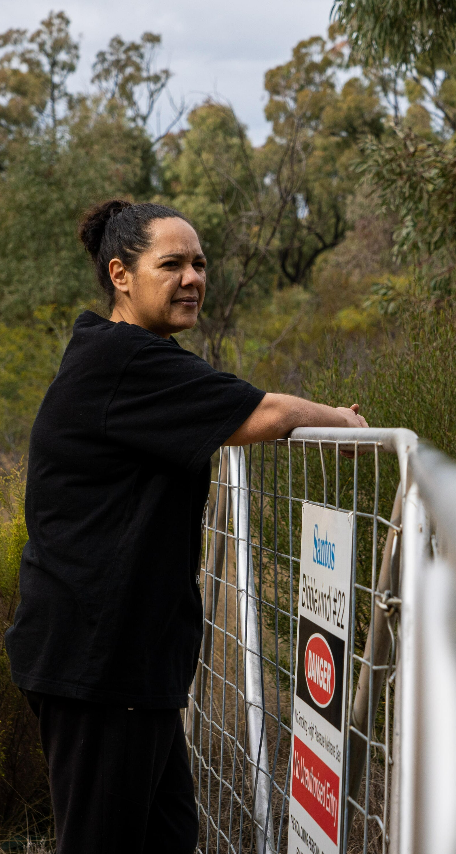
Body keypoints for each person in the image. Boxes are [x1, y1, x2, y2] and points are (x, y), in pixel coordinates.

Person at [6, 200, 368, 854]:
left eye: (199, 263)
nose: (193, 278)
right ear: (120, 275)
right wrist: (342, 421)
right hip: (99, 664)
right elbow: (267, 413)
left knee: (168, 835)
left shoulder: (131, 356)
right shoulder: (124, 360)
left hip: (125, 662)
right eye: (171, 264)